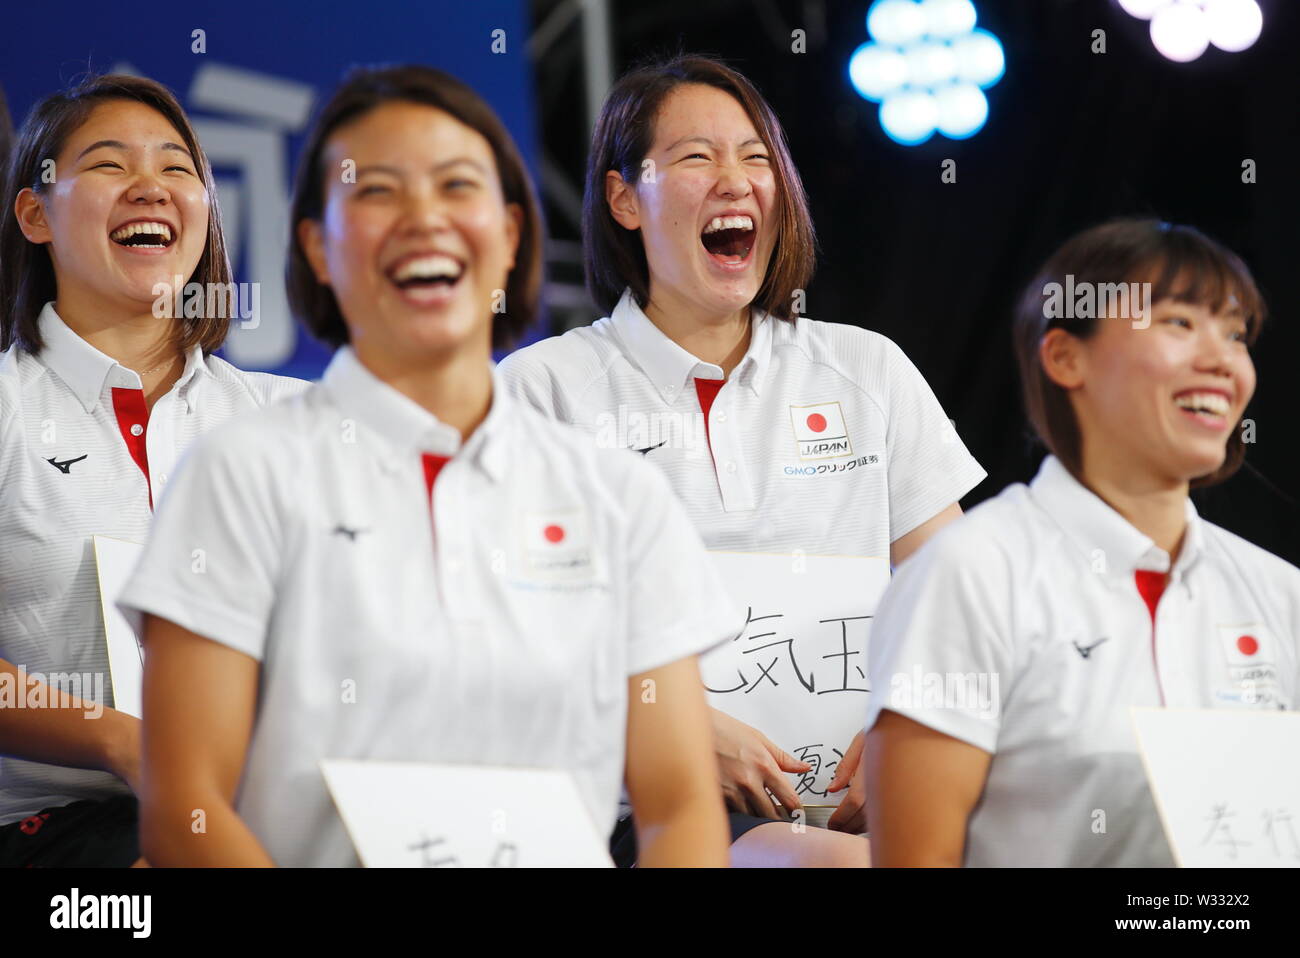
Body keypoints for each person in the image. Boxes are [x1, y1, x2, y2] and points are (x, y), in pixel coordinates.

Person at [117, 65, 735, 867]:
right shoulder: (240, 472)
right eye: (377, 191)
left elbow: (680, 808)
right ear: (317, 246)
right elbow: (184, 809)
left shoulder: (618, 497)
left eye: (457, 186)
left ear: (511, 236)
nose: (424, 218)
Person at [498, 54, 985, 866]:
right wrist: (671, 726)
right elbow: (507, 635)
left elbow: (961, 601)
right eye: (697, 157)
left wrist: (913, 717)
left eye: (757, 158)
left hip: (877, 808)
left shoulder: (868, 371)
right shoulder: (543, 392)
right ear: (623, 197)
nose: (737, 180)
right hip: (637, 807)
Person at [862, 218, 1298, 867]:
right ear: (1066, 356)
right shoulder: (971, 572)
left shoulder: (1279, 592)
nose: (1221, 361)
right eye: (1179, 322)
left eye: (1235, 333)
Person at [0, 75, 307, 867]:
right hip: (60, 829)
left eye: (178, 169)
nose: (151, 187)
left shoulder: (296, 421)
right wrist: (121, 742)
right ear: (35, 213)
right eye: (108, 165)